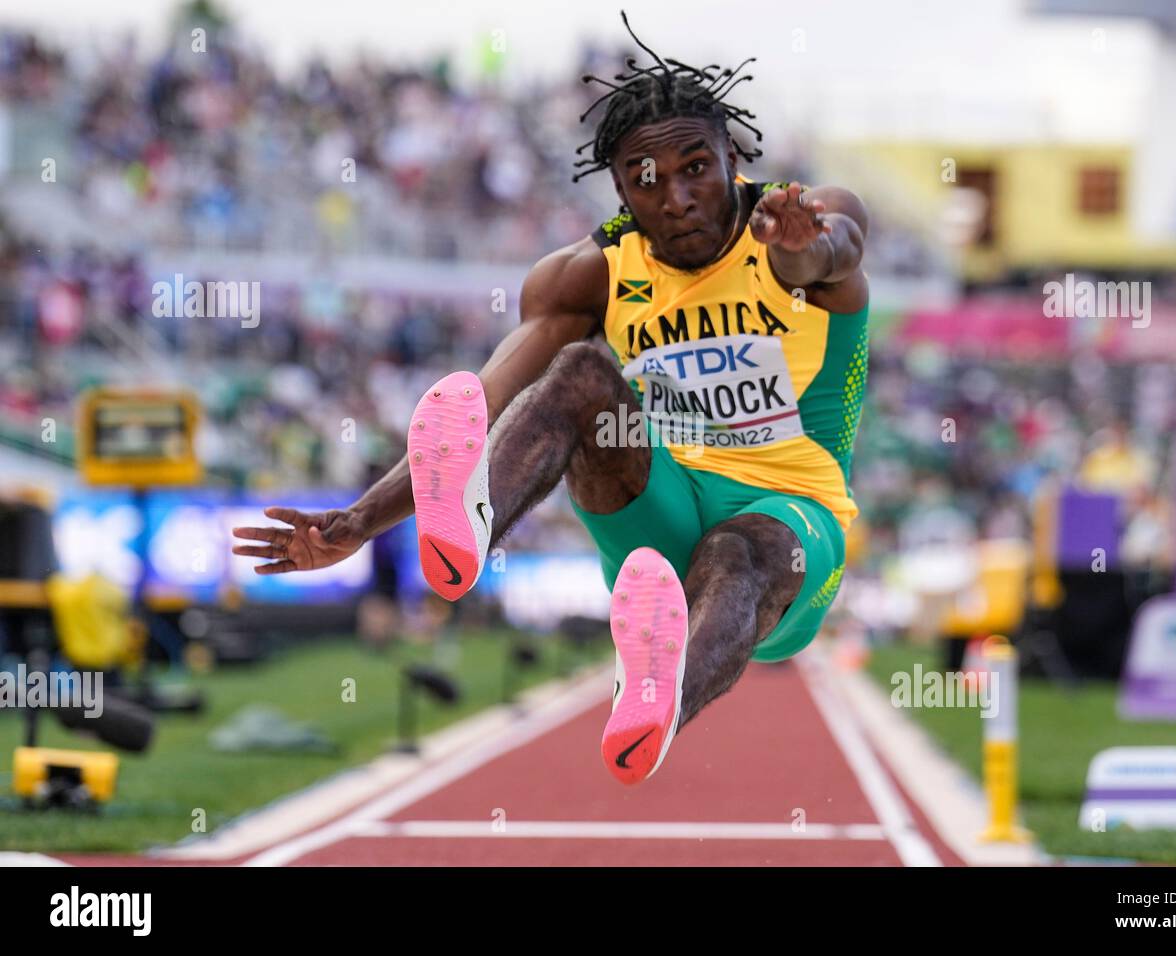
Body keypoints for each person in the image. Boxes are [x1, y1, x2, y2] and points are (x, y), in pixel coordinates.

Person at [233, 13, 870, 785]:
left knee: (735, 550)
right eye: (645, 179)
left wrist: (803, 243)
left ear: (732, 158)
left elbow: (831, 251)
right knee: (575, 374)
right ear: (618, 190)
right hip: (655, 514)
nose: (675, 196)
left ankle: (660, 694)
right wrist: (358, 523)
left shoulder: (793, 224)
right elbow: (484, 404)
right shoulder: (593, 271)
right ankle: (476, 523)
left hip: (790, 525)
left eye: (696, 167)